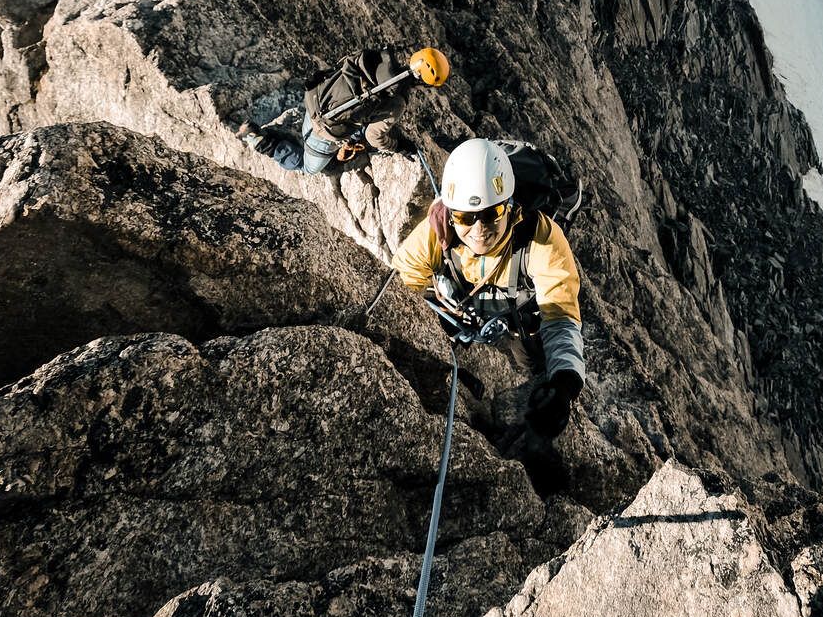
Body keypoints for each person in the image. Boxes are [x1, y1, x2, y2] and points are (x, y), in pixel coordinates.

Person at [391, 138, 586, 447]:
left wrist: (563, 384)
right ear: (452, 213)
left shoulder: (542, 238)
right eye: (467, 217)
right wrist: (437, 358)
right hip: (462, 307)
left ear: (509, 206)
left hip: (517, 318)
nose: (479, 228)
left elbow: (560, 316)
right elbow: (400, 295)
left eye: (492, 212)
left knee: (533, 364)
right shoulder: (435, 233)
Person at [240, 46, 449, 173]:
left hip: (315, 101)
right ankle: (262, 143)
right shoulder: (397, 101)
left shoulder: (380, 58)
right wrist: (397, 146)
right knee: (307, 167)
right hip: (325, 131)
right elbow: (374, 136)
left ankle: (279, 133)